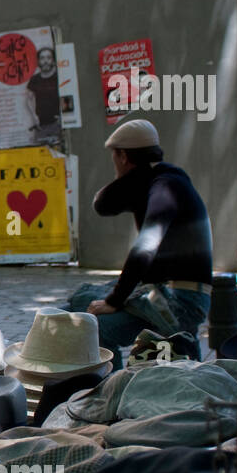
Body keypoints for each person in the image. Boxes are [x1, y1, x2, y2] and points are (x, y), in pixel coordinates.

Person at [83, 118, 213, 369]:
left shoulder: (165, 188)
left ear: (122, 157)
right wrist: (132, 176)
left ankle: (110, 392)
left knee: (97, 326)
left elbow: (145, 247)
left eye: (115, 156)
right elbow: (103, 205)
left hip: (181, 300)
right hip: (167, 292)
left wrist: (115, 300)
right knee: (83, 300)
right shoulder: (155, 183)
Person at [26, 46, 62, 146]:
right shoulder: (35, 79)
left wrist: (62, 117)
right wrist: (34, 117)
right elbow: (28, 99)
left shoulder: (59, 77)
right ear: (38, 61)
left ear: (53, 61)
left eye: (48, 58)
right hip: (41, 126)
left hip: (57, 124)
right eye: (42, 58)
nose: (45, 61)